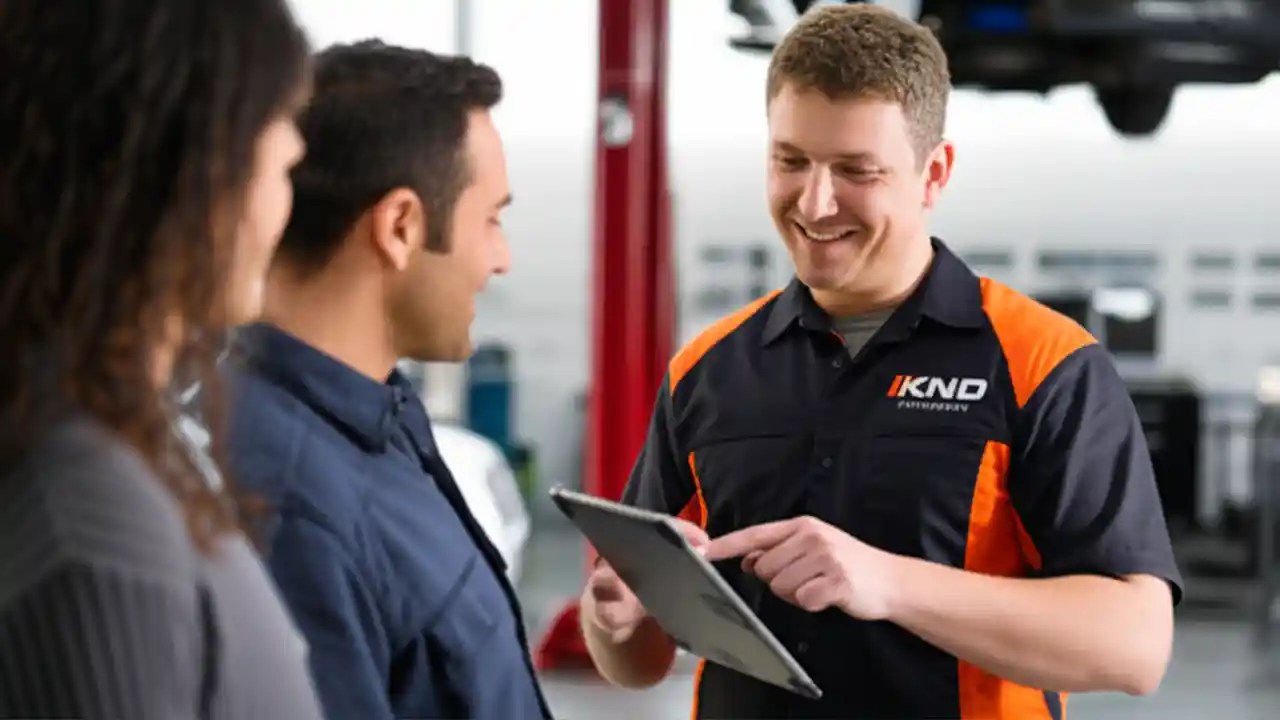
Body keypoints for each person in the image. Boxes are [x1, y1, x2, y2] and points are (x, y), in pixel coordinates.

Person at [579, 5, 1183, 719]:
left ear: (934, 173)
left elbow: (1134, 647)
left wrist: (887, 583)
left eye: (855, 170)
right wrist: (610, 618)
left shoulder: (1044, 364)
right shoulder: (707, 370)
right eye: (791, 161)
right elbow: (638, 664)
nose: (814, 200)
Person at [0, 1, 324, 719]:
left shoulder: (108, 436)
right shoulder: (93, 524)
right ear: (194, 172)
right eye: (283, 169)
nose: (284, 209)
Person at [221, 40, 551, 720]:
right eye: (490, 219)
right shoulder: (289, 507)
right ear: (400, 225)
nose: (501, 258)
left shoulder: (380, 421)